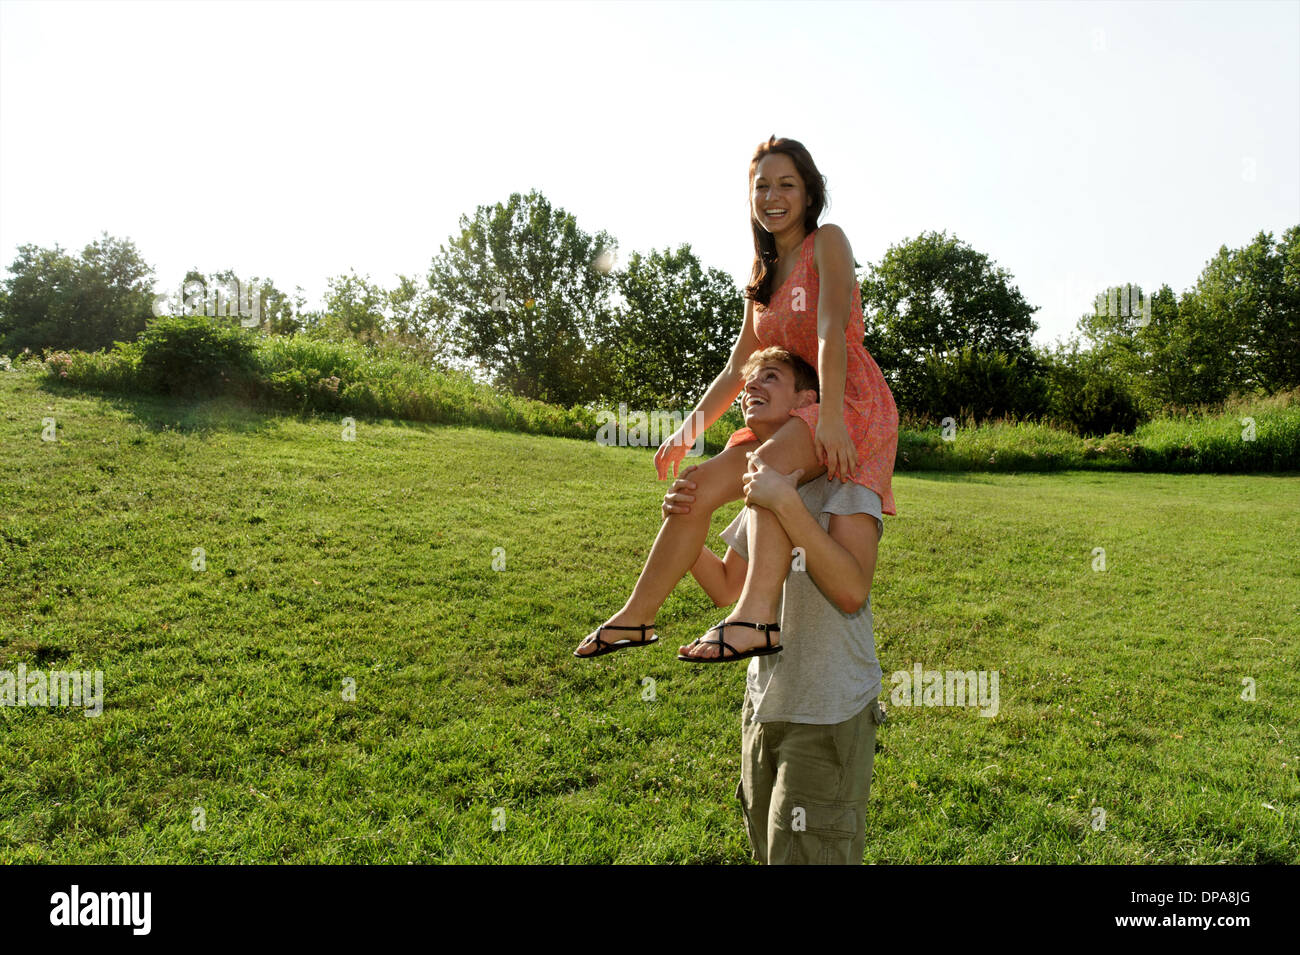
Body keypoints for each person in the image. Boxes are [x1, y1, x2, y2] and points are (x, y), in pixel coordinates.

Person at [573, 134, 898, 661]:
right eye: (761, 185)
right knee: (697, 484)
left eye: (786, 184)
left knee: (767, 467)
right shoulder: (761, 273)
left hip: (846, 401)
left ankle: (755, 618)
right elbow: (734, 367)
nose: (772, 195)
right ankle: (636, 617)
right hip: (790, 410)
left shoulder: (828, 242)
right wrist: (687, 431)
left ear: (810, 195)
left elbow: (831, 330)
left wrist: (833, 416)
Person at [663, 346, 887, 864]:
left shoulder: (848, 478)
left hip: (828, 708)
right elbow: (726, 588)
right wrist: (686, 527)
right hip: (764, 703)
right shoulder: (755, 485)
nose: (748, 388)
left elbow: (852, 590)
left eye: (770, 376)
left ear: (809, 402)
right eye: (745, 382)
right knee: (768, 851)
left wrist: (784, 501)